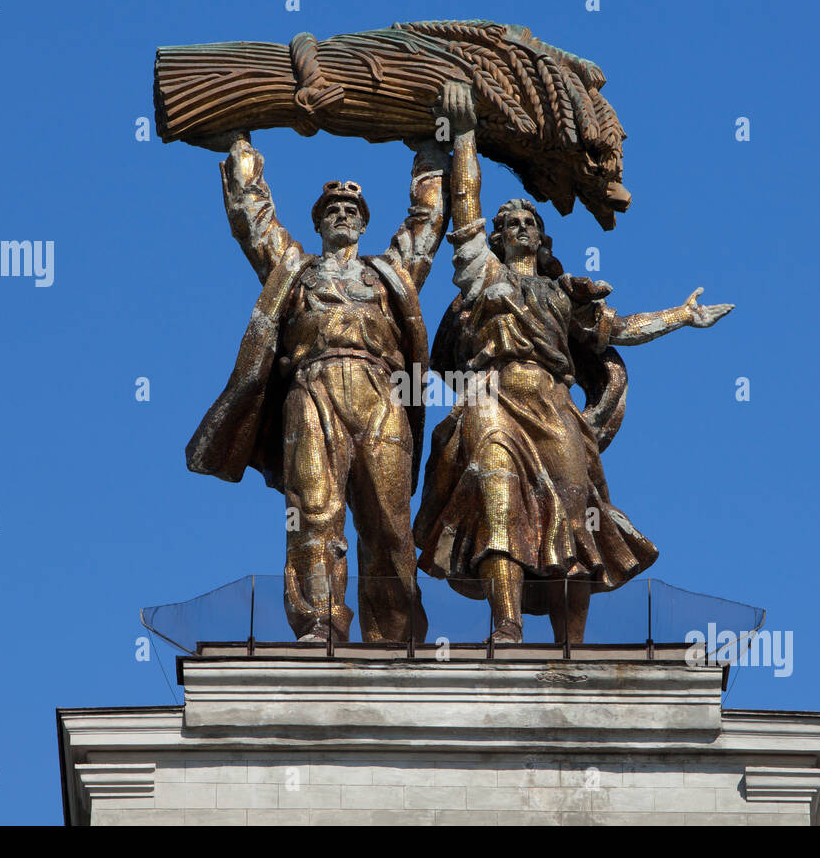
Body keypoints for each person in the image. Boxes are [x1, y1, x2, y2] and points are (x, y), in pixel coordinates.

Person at [415, 83, 734, 643]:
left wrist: (681, 317)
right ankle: (506, 626)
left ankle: (571, 648)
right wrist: (464, 137)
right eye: (509, 223)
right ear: (497, 237)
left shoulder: (564, 295)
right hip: (492, 399)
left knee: (572, 514)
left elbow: (620, 330)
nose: (518, 228)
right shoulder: (483, 278)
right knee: (499, 500)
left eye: (529, 223)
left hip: (554, 404)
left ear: (541, 238)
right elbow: (465, 212)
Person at [186, 130, 450, 642]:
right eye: (332, 210)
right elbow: (253, 222)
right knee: (313, 513)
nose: (343, 215)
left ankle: (393, 636)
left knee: (390, 523)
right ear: (319, 222)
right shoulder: (295, 272)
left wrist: (433, 153)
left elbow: (427, 224)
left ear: (365, 221)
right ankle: (319, 622)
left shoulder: (391, 273)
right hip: (313, 391)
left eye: (352, 209)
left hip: (381, 395)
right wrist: (239, 144)